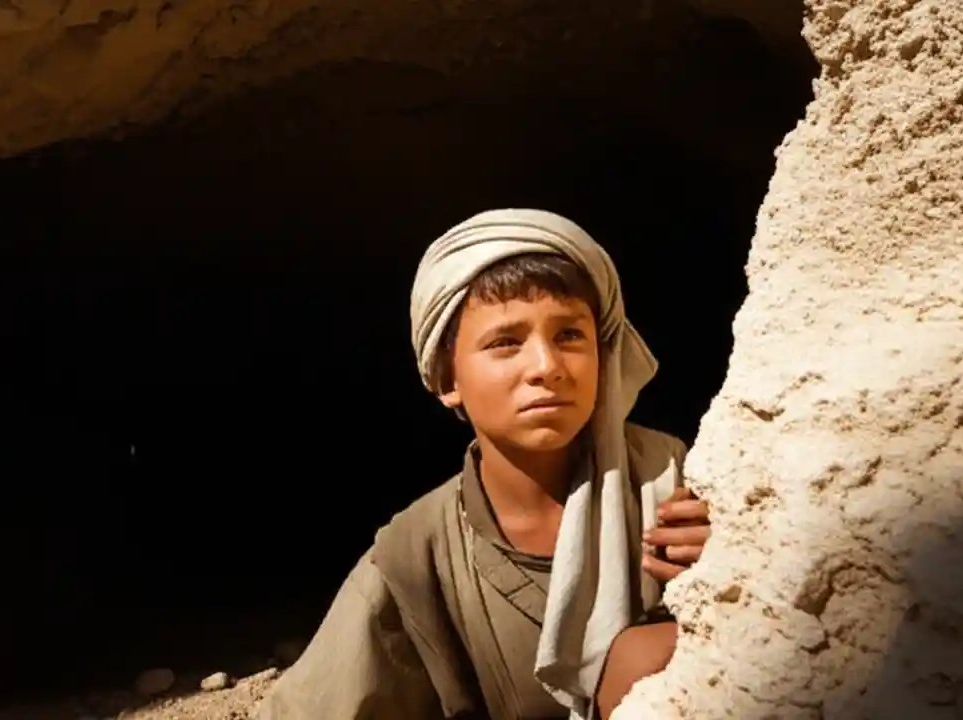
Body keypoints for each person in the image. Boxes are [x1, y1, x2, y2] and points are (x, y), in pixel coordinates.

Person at [255, 209, 712, 719]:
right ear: (448, 378)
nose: (546, 367)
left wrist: (734, 563)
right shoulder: (417, 555)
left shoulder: (680, 482)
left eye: (569, 336)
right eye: (505, 343)